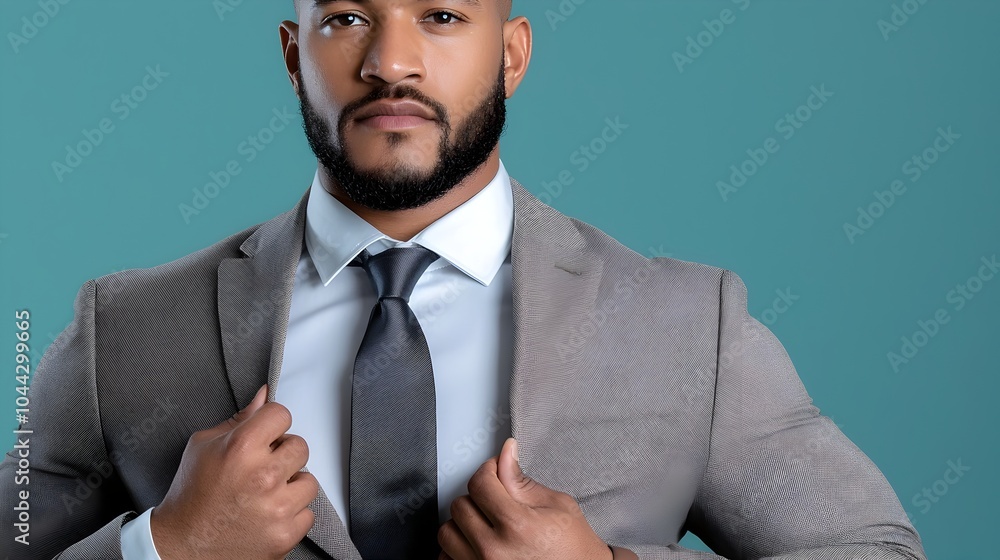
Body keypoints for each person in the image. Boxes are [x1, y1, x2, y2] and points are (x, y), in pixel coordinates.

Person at [1, 1, 926, 559]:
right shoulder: (125, 327)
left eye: (440, 17)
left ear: (513, 54)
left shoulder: (689, 327)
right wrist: (162, 548)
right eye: (348, 18)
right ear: (294, 54)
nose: (390, 61)